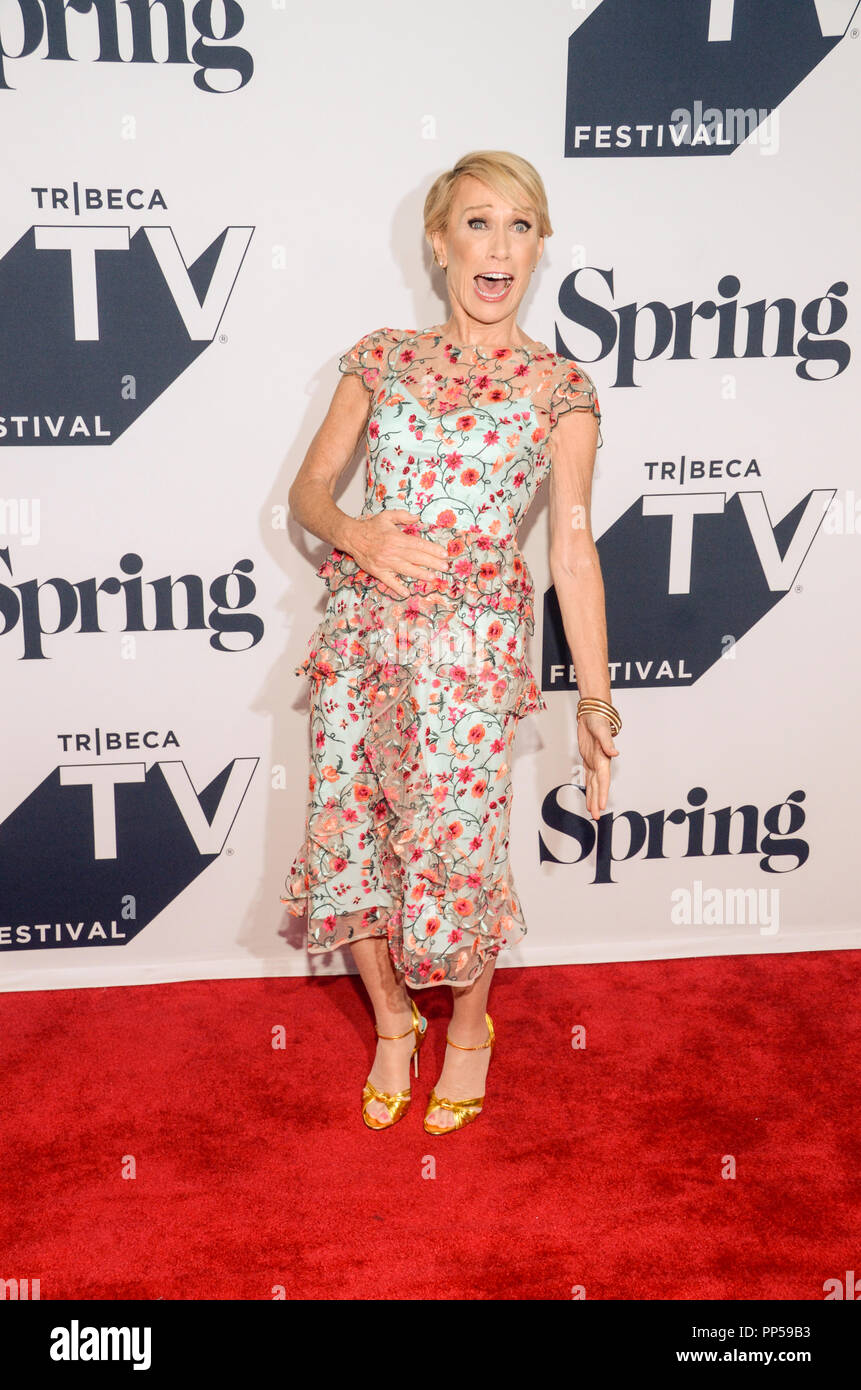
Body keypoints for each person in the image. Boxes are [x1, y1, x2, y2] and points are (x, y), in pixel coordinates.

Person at [281, 150, 620, 1134]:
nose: (500, 245)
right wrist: (355, 531)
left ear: (538, 249)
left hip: (471, 666)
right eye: (479, 223)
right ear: (439, 244)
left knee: (459, 853)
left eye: (521, 225)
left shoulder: (561, 389)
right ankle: (394, 1020)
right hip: (362, 648)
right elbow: (307, 492)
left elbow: (572, 548)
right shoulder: (381, 358)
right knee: (351, 839)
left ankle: (469, 1028)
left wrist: (596, 699)